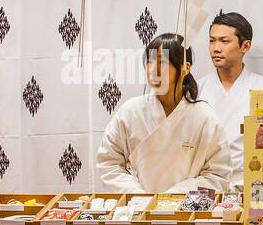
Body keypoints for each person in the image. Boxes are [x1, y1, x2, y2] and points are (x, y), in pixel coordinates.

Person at [97, 33, 232, 194]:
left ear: (185, 68)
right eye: (149, 61)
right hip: (139, 210)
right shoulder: (131, 111)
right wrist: (137, 196)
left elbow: (218, 175)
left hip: (185, 213)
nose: (153, 69)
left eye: (161, 61)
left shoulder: (204, 117)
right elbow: (109, 163)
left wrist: (175, 197)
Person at [196, 11, 263, 189]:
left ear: (245, 46)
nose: (216, 48)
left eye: (224, 41)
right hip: (205, 187)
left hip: (252, 185)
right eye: (212, 40)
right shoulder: (195, 91)